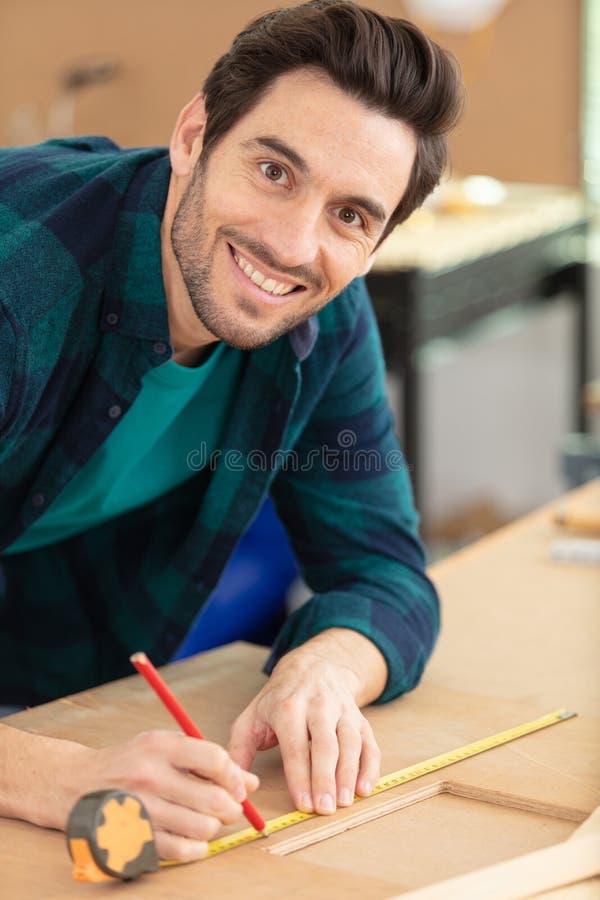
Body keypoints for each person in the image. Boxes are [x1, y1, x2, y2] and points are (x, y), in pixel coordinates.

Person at [0, 0, 462, 861]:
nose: (292, 245)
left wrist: (325, 667)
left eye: (350, 216)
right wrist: (53, 779)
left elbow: (384, 572)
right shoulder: (15, 294)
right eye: (276, 171)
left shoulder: (325, 314)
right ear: (192, 136)